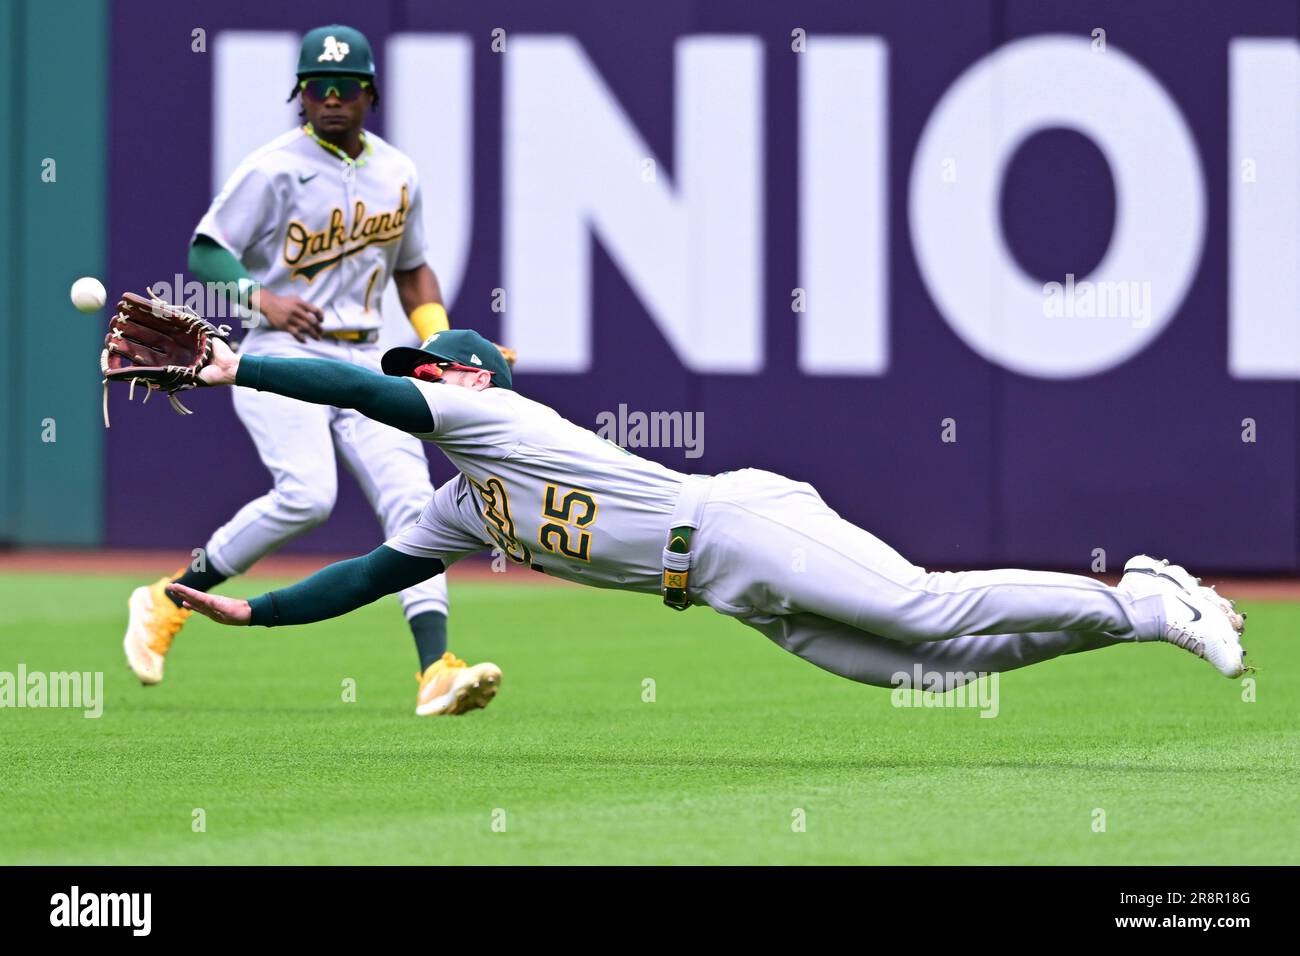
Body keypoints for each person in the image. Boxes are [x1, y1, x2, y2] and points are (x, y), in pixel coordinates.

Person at [164, 328, 1250, 709]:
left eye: (431, 367)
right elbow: (366, 572)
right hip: (725, 591)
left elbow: (367, 391)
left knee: (923, 606)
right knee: (936, 670)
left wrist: (231, 365)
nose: (420, 376)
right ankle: (1136, 608)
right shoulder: (463, 500)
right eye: (421, 372)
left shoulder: (489, 415)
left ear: (467, 379)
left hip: (735, 523)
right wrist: (256, 617)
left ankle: (1143, 599)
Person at [121, 24, 497, 716]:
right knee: (307, 496)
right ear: (300, 94)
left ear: (369, 94)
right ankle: (168, 598)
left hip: (365, 353)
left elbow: (412, 270)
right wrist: (261, 297)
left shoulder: (398, 171)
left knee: (415, 504)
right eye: (317, 88)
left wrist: (437, 340)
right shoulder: (273, 166)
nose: (330, 99)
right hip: (280, 353)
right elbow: (209, 252)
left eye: (344, 87)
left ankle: (435, 670)